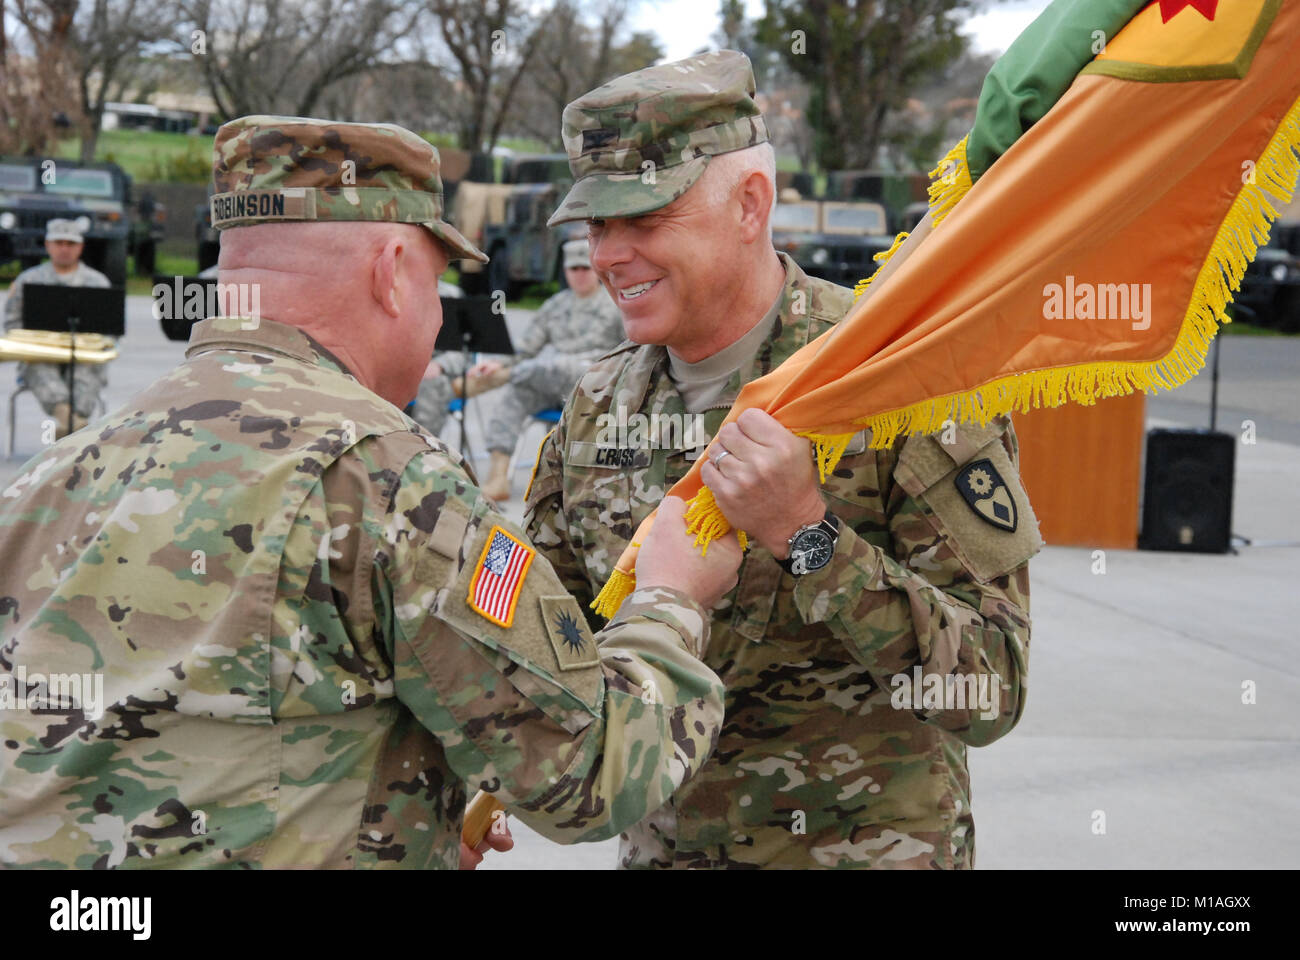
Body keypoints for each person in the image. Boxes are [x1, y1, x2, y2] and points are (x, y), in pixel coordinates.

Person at [0, 115, 742, 870]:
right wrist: (672, 600)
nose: (435, 315)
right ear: (391, 273)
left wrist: (413, 811)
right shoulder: (388, 481)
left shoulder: (48, 475)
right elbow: (596, 768)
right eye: (434, 284)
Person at [526, 50, 1045, 869]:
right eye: (596, 225)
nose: (608, 254)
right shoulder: (597, 407)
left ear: (750, 204)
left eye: (645, 219)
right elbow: (549, 633)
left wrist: (809, 537)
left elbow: (989, 689)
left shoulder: (898, 383)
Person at [464, 238, 625, 501]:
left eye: (585, 268)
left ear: (597, 269)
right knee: (517, 393)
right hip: (550, 383)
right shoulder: (555, 305)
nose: (580, 275)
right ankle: (498, 477)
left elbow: (631, 352)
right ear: (565, 272)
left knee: (564, 365)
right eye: (574, 269)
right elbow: (527, 349)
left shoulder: (615, 304)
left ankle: (500, 379)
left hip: (595, 385)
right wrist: (499, 364)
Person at [2, 218, 112, 437]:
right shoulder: (28, 280)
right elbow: (11, 324)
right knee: (37, 367)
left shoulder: (97, 283)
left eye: (70, 244)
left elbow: (109, 331)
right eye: (59, 243)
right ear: (47, 245)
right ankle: (74, 426)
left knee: (87, 373)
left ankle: (70, 425)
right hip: (41, 354)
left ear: (80, 247)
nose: (64, 249)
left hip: (84, 356)